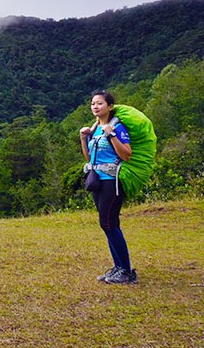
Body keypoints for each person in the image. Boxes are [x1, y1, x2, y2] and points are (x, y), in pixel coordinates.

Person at [79, 89, 137, 284]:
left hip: (112, 181)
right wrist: (83, 138)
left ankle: (126, 271)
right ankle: (118, 267)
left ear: (110, 106)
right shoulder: (95, 129)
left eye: (100, 103)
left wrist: (111, 135)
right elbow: (88, 157)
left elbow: (126, 154)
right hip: (97, 180)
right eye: (93, 103)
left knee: (109, 223)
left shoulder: (117, 127)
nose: (95, 106)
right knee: (108, 224)